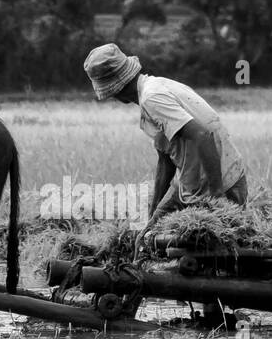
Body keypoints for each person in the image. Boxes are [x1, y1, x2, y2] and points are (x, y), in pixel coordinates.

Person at [82, 43, 247, 232]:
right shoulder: (154, 88)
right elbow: (165, 161)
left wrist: (217, 197)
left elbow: (203, 135)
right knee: (148, 236)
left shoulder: (152, 98)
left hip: (220, 183)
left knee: (210, 253)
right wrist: (152, 217)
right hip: (193, 183)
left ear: (114, 90)